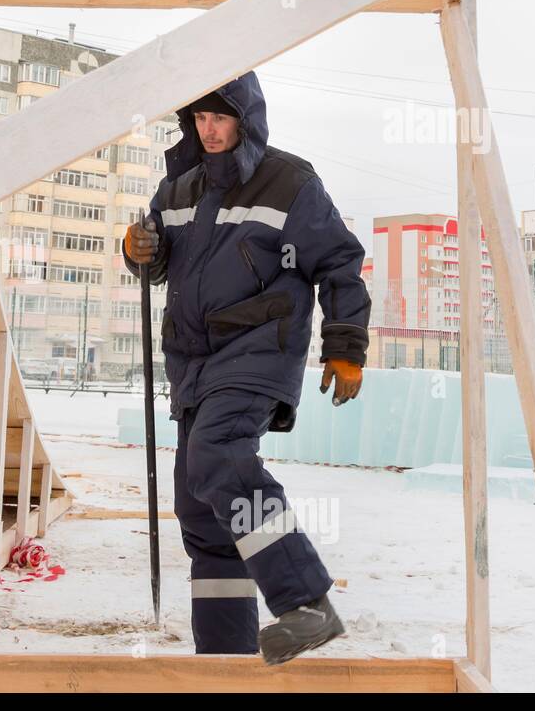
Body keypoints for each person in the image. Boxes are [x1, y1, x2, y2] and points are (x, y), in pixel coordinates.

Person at [122, 71, 371, 665]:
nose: (209, 130)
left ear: (245, 117)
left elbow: (339, 260)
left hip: (259, 349)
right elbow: (160, 264)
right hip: (191, 364)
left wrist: (345, 344)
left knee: (220, 457)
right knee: (202, 510)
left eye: (220, 117)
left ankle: (307, 601)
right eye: (199, 119)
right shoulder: (177, 187)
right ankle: (225, 661)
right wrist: (139, 252)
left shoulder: (289, 181)